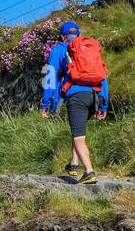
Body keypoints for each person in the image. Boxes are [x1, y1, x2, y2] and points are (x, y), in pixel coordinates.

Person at [39, 21, 108, 185]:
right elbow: (103, 76)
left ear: (63, 36)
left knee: (78, 136)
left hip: (76, 96)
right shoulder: (89, 47)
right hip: (95, 96)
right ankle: (73, 164)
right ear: (78, 33)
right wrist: (104, 104)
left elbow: (51, 75)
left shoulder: (60, 48)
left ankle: (89, 172)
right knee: (78, 130)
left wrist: (45, 102)